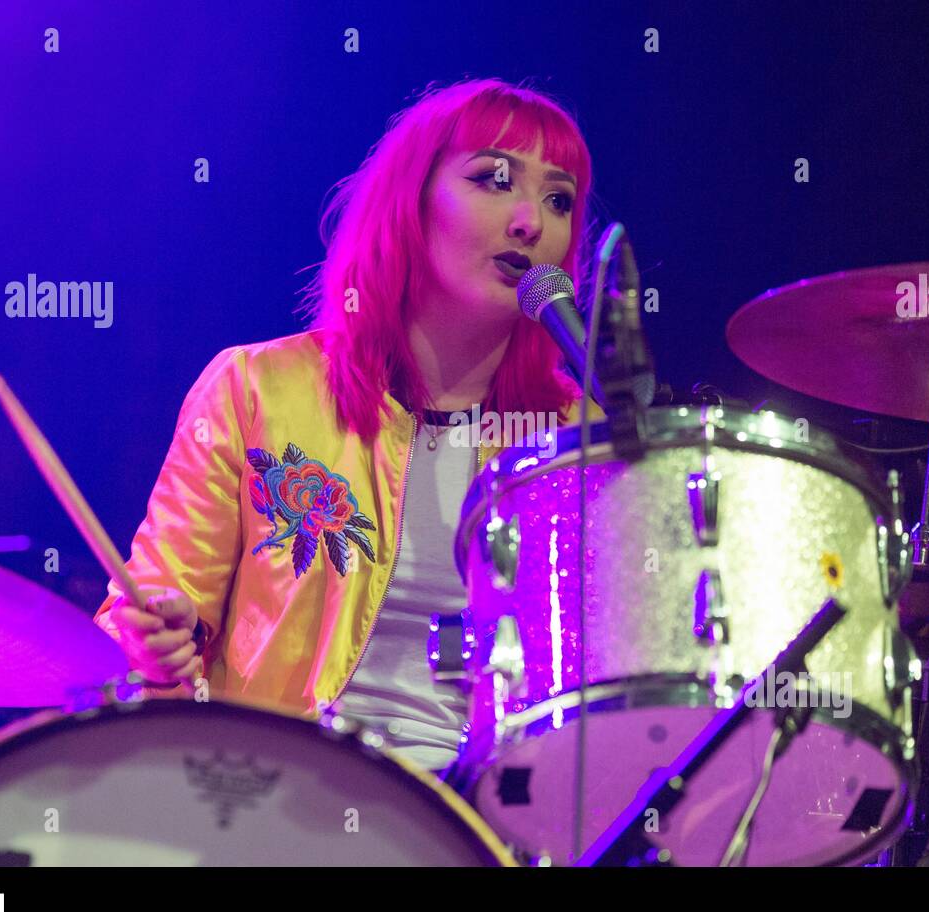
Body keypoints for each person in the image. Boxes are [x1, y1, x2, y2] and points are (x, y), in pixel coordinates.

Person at [93, 77, 605, 773]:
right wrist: (158, 639)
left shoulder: (579, 436)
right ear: (411, 201)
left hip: (489, 823)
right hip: (274, 796)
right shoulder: (258, 389)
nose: (530, 222)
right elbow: (139, 618)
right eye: (494, 179)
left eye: (559, 200)